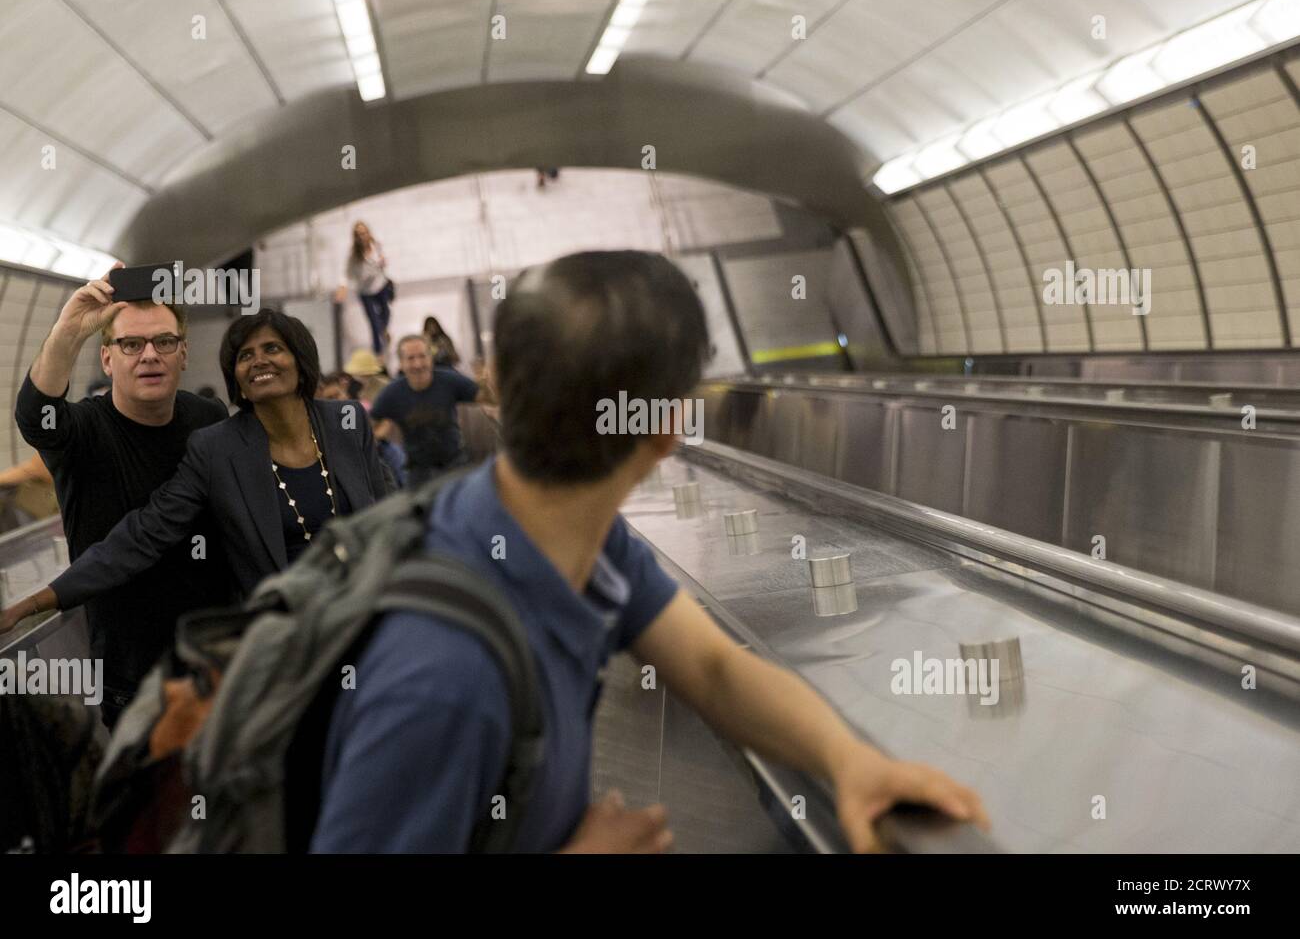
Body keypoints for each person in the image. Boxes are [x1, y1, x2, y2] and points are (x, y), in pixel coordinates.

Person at [310, 251, 987, 853]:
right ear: (667, 429)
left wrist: (847, 760)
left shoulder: (578, 537)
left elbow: (714, 668)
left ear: (495, 395)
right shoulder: (443, 674)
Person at [3, 312, 395, 643]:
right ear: (235, 375)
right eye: (245, 355)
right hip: (286, 640)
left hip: (369, 619)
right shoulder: (218, 447)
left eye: (272, 348)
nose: (259, 361)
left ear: (301, 358)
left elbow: (388, 512)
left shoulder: (347, 422)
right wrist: (41, 599)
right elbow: (144, 533)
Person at [8, 265, 231, 728]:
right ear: (108, 359)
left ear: (183, 353)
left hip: (216, 654)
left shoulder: (208, 418)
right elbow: (36, 415)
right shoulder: (83, 432)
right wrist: (70, 328)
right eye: (131, 344)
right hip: (131, 673)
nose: (149, 355)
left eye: (163, 342)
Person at [370, 335, 492, 488]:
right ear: (401, 363)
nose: (418, 364)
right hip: (418, 472)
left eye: (422, 356)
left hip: (455, 464)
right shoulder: (392, 393)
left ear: (431, 358)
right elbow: (370, 424)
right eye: (411, 358)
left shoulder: (449, 380)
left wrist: (487, 381)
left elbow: (486, 398)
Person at [334, 221, 393, 359]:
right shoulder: (353, 254)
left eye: (364, 233)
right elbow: (346, 273)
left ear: (368, 232)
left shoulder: (377, 245)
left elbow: (383, 261)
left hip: (380, 285)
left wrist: (383, 262)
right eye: (359, 234)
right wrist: (342, 287)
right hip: (365, 291)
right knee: (373, 320)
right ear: (355, 237)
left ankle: (384, 331)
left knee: (386, 313)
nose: (362, 237)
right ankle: (378, 351)